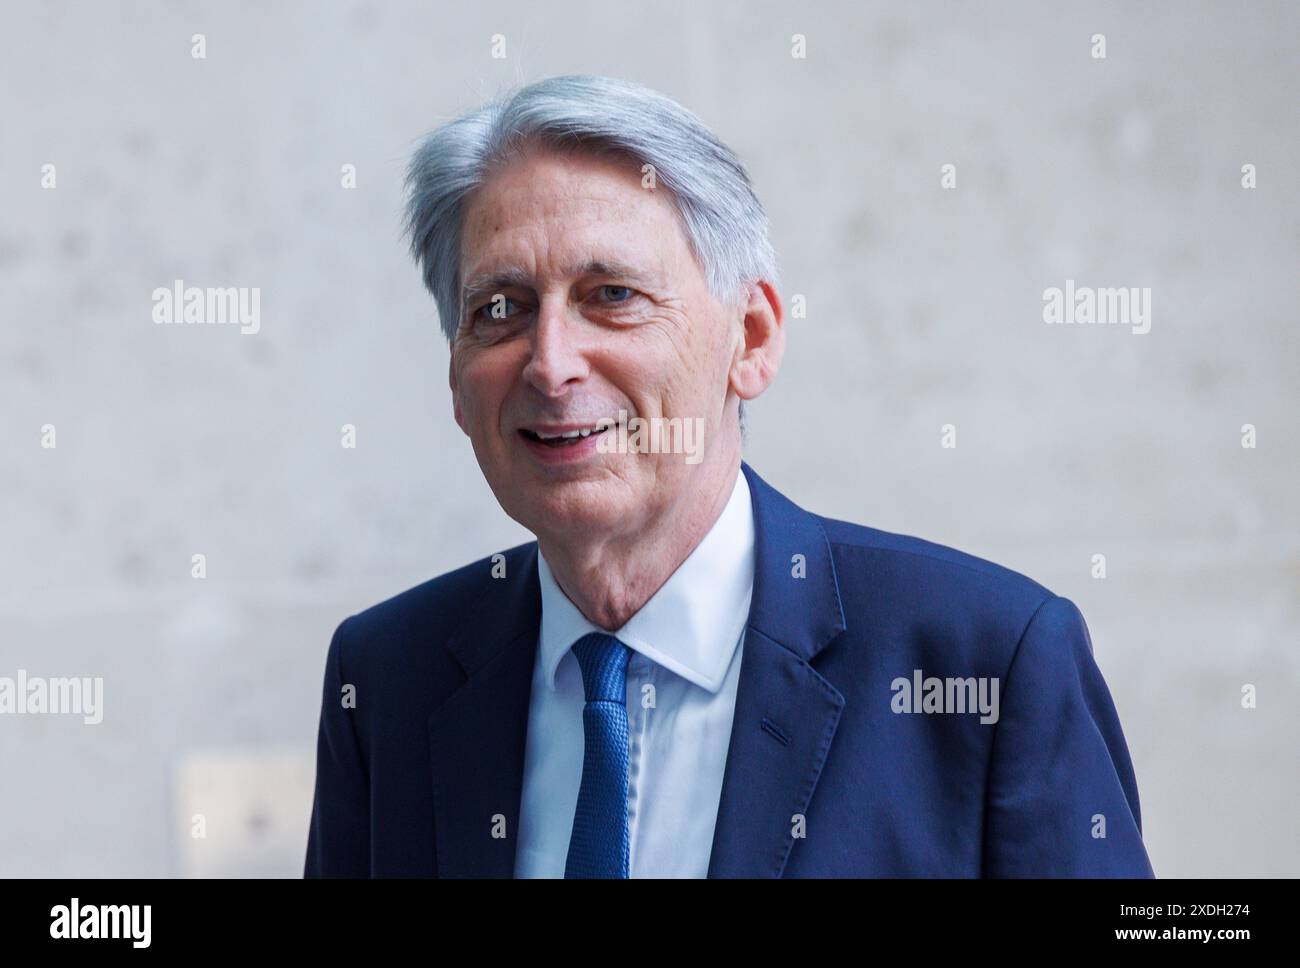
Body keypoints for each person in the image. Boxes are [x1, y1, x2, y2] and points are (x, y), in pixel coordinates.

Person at [304, 74, 1153, 878]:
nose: (551, 363)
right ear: (455, 377)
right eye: (501, 309)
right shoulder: (387, 679)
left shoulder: (987, 661)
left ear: (750, 339)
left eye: (612, 295)